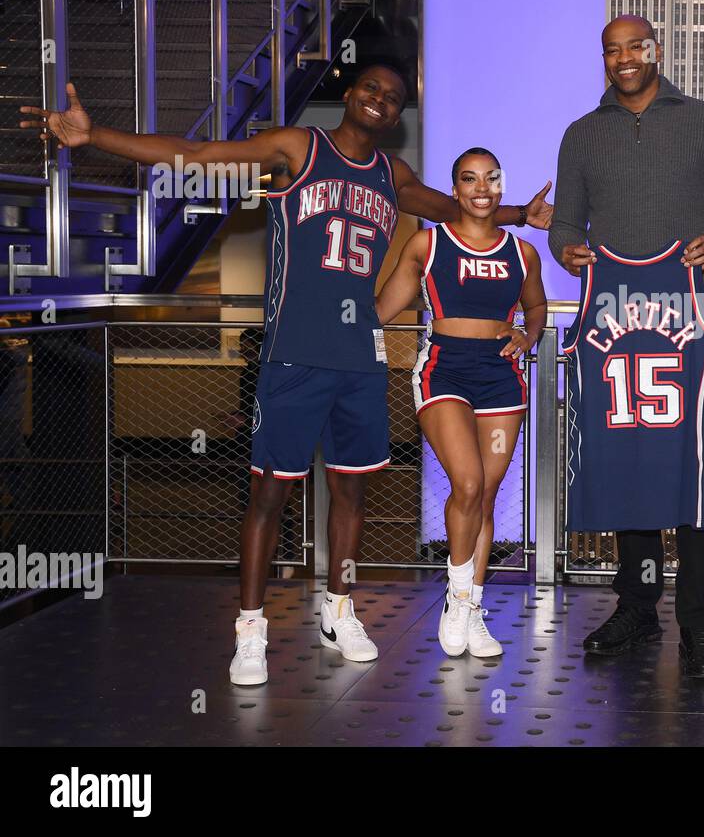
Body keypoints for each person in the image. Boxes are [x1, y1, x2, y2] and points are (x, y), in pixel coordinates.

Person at [22, 61, 553, 685]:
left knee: (353, 492)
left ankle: (340, 610)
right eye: (371, 89)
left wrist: (518, 212)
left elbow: (458, 210)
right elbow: (195, 153)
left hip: (359, 354)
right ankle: (250, 628)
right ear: (350, 95)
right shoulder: (296, 147)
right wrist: (96, 137)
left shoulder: (392, 174)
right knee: (270, 493)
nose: (381, 100)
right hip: (294, 352)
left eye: (394, 96)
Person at [549, 14, 704, 678]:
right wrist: (565, 248)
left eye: (634, 47)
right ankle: (638, 606)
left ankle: (697, 625)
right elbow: (561, 223)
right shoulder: (582, 134)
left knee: (692, 468)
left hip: (683, 312)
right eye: (611, 49)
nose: (623, 58)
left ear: (656, 50)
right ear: (603, 59)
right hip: (611, 314)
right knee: (626, 463)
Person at [375, 147, 546, 658]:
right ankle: (458, 596)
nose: (480, 188)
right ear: (455, 189)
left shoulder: (523, 253)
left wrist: (529, 334)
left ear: (501, 186)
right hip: (444, 369)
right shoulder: (427, 244)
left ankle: (472, 607)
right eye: (468, 179)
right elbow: (381, 308)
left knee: (486, 495)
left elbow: (534, 305)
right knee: (467, 482)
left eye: (490, 179)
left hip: (500, 375)